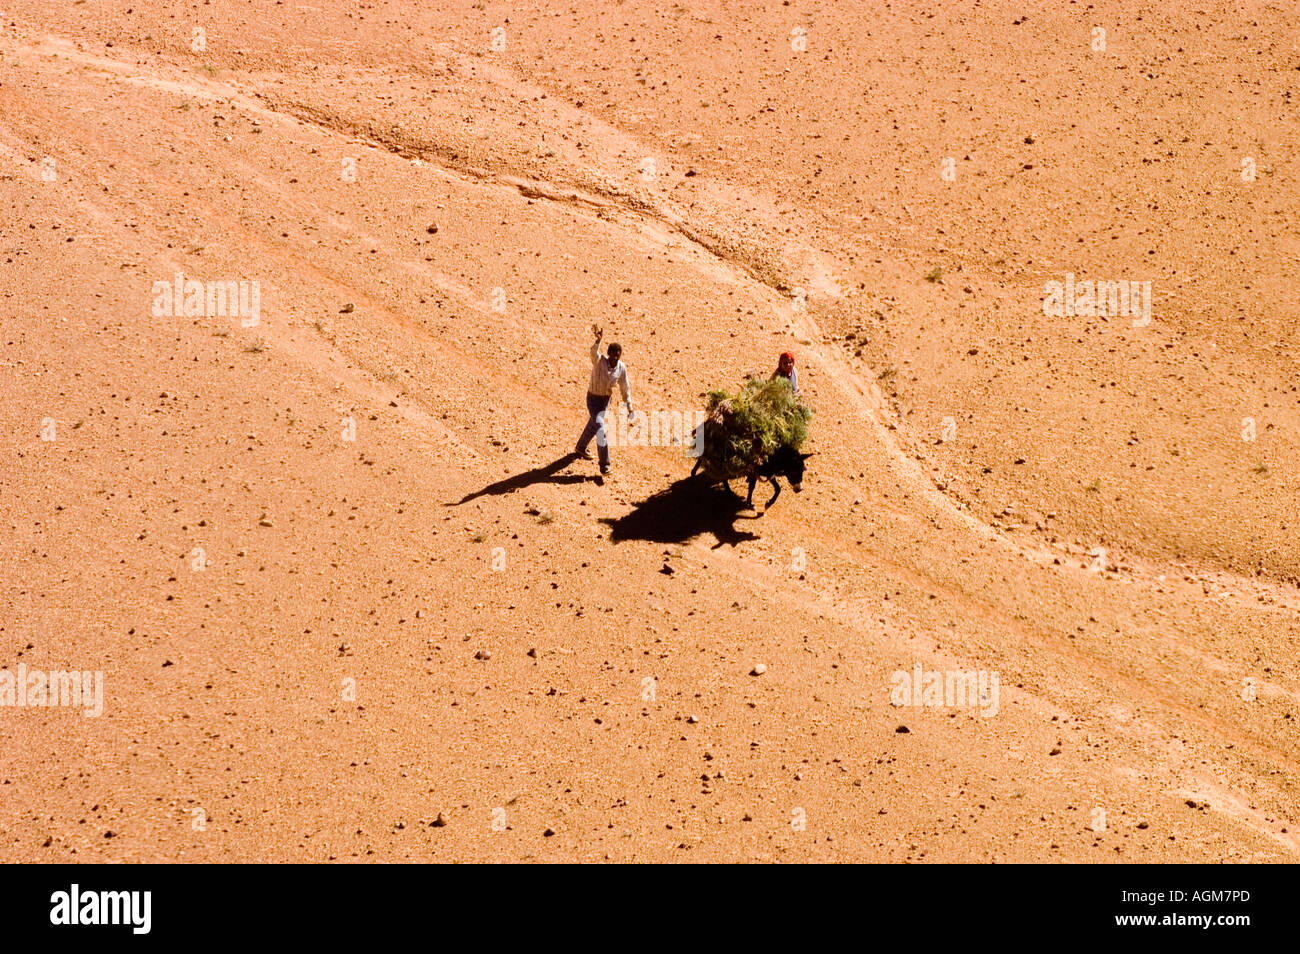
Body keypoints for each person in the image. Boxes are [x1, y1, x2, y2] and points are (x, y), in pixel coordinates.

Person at [575, 324, 634, 475]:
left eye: (617, 355)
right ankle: (604, 465)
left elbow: (624, 388)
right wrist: (598, 341)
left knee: (594, 424)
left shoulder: (621, 368)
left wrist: (630, 407)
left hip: (605, 401)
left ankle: (581, 447)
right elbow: (593, 353)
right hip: (593, 399)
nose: (615, 358)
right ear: (608, 354)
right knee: (601, 429)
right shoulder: (599, 361)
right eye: (612, 355)